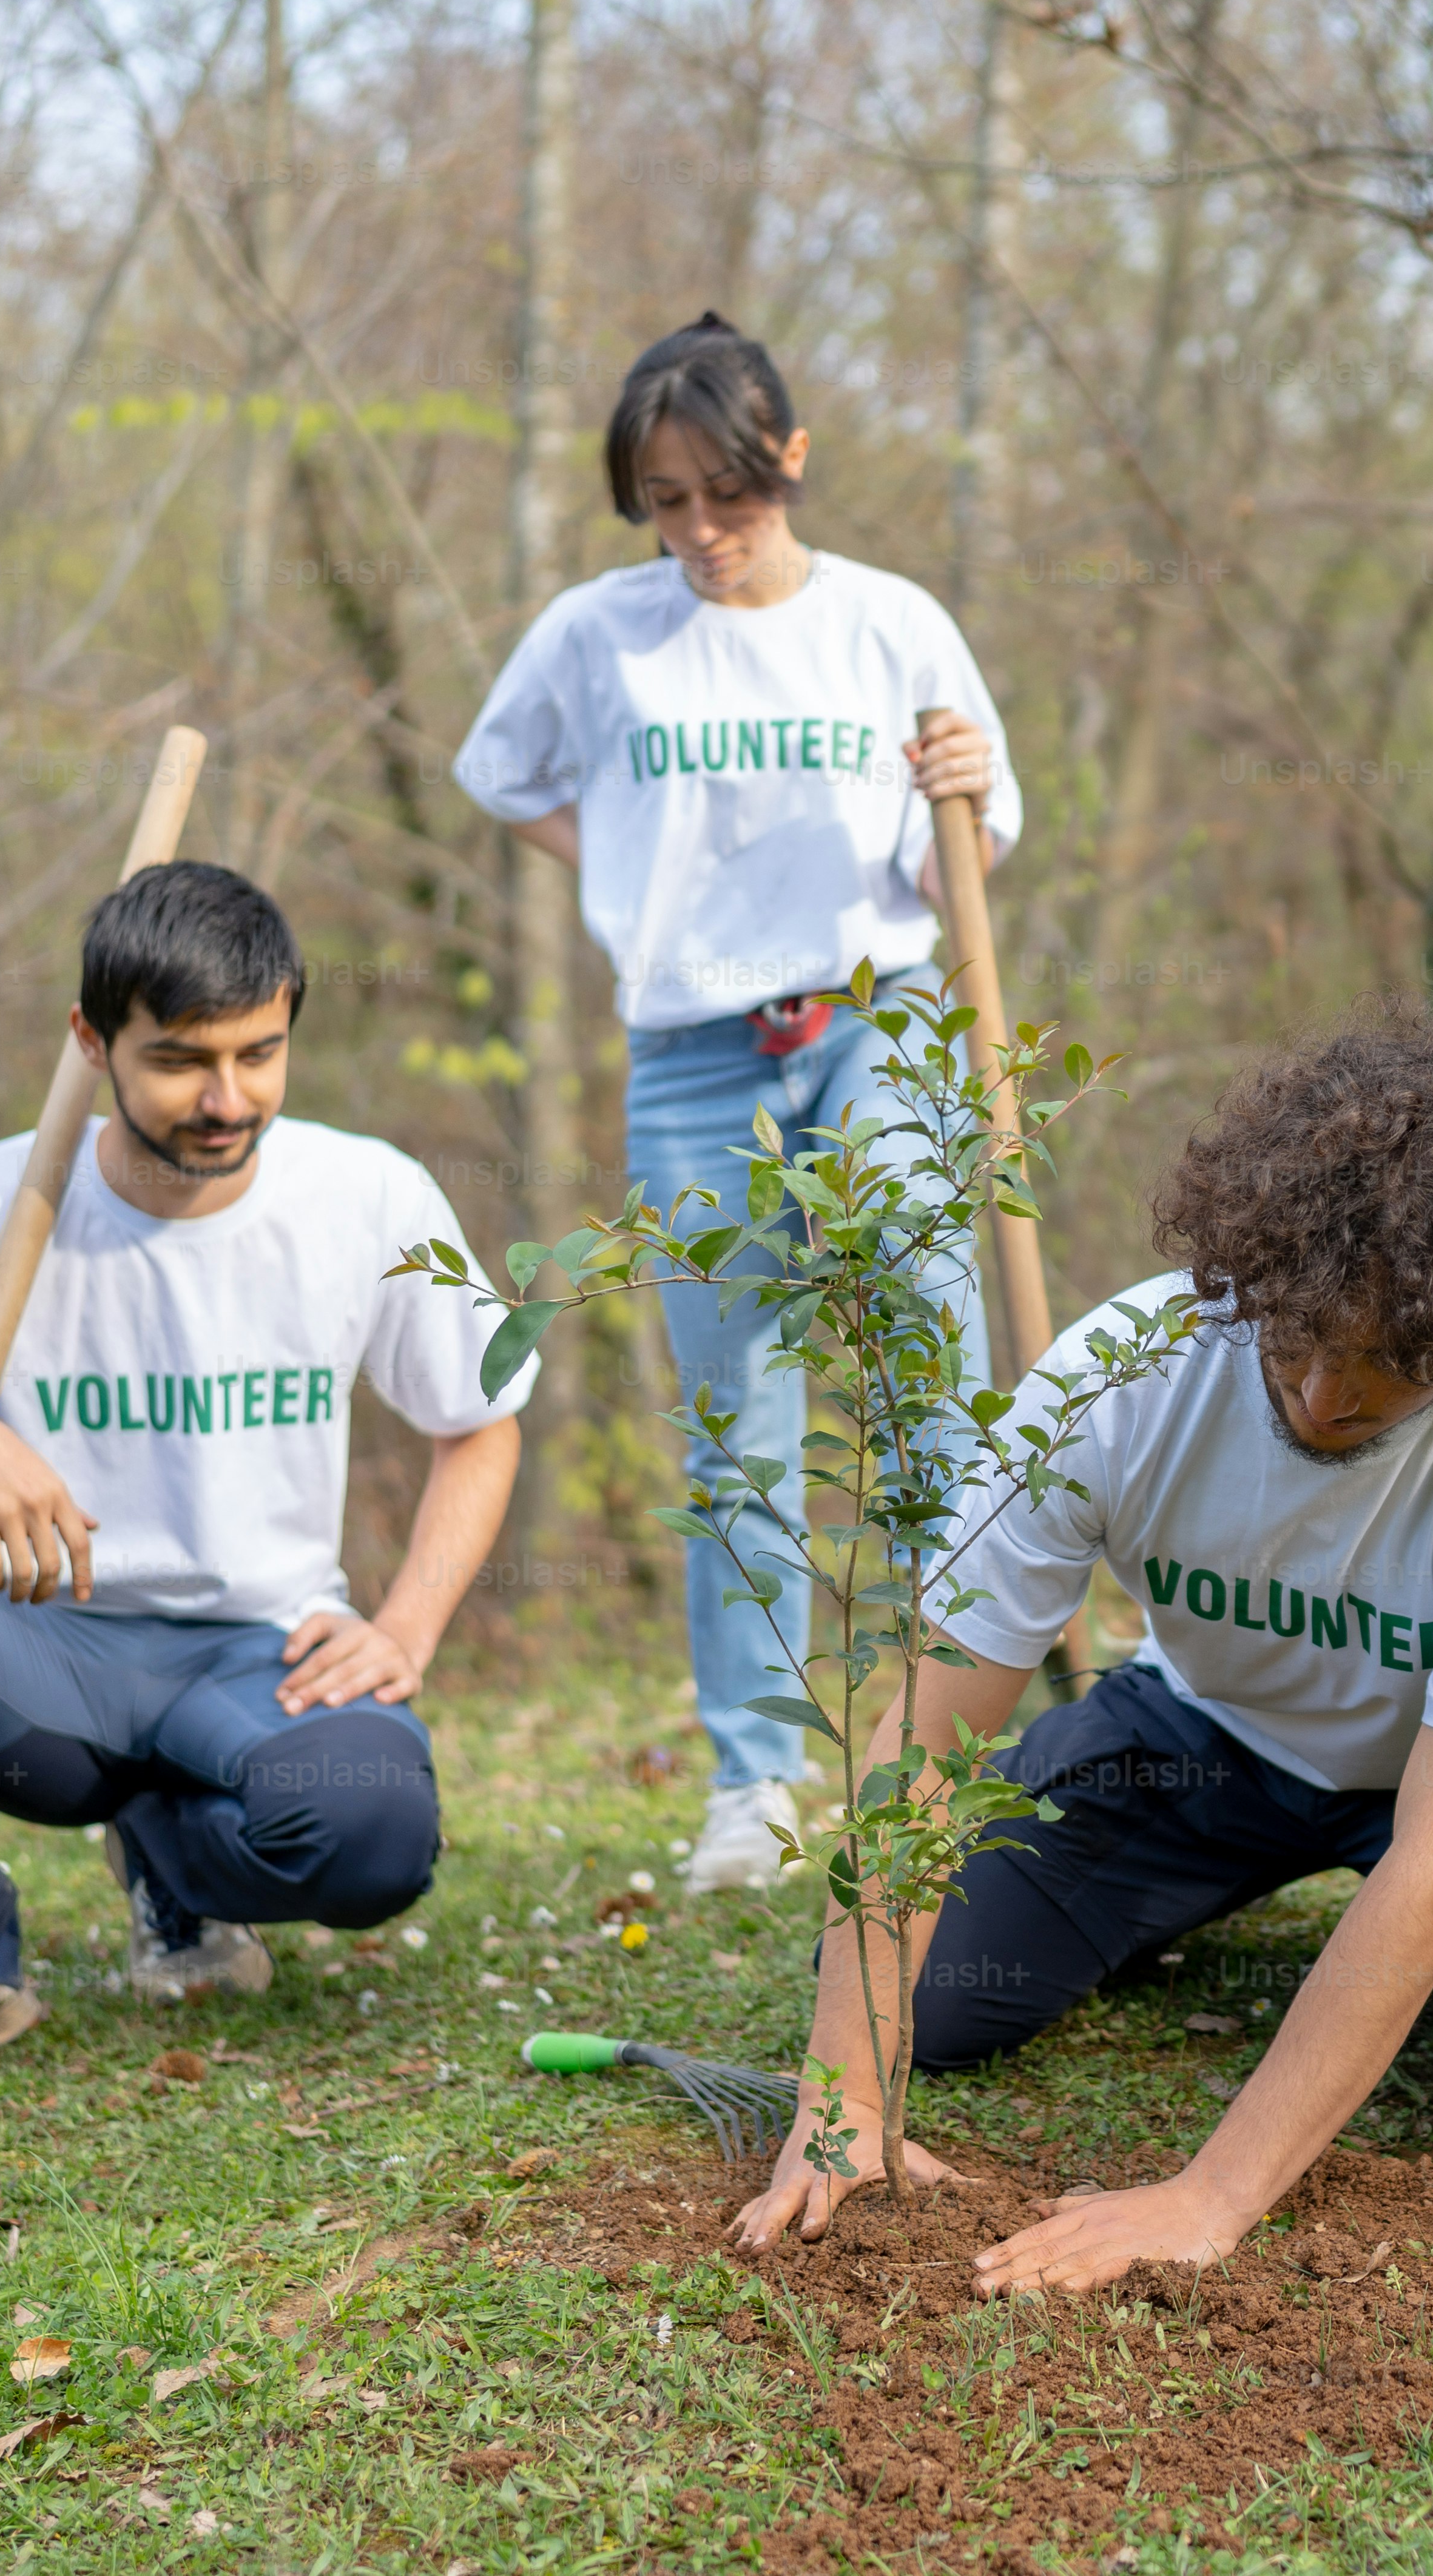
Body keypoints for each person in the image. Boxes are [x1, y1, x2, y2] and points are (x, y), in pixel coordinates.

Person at [733, 1009, 1433, 2293]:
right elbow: (916, 1745)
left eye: (1394, 1364)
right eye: (1304, 1336)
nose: (1326, 1396)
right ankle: (1246, 1922)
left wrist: (1208, 2197)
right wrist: (843, 2102)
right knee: (937, 1998)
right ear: (1257, 1267)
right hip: (1213, 1737)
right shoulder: (1119, 1378)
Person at [0, 864, 535, 2091]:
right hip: (31, 1666)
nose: (227, 1098)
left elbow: (483, 1420)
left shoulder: (367, 1196)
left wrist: (407, 1624)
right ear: (90, 1042)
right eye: (183, 1060)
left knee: (373, 1835)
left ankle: (172, 1863)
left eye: (261, 1054)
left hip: (261, 1657)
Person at [454, 313, 1022, 1896]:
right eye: (662, 501)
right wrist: (629, 883)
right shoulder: (598, 635)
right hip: (695, 1050)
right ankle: (756, 1782)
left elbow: (953, 869)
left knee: (923, 1332)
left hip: (876, 1017)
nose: (700, 533)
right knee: (734, 1419)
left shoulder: (890, 624)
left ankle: (949, 1751)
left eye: (729, 494)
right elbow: (501, 777)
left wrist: (961, 788)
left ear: (791, 460)